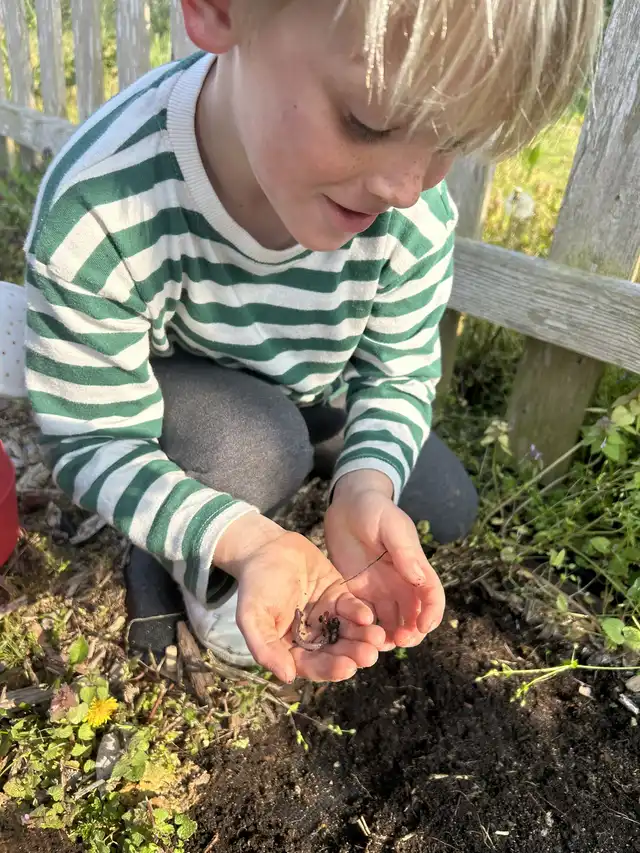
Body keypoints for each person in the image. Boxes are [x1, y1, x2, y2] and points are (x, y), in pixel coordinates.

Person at [23, 0, 602, 684]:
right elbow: (95, 437)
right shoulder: (99, 205)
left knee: (444, 508)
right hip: (192, 394)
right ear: (221, 10)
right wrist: (242, 540)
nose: (405, 187)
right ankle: (175, 553)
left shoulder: (413, 215)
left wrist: (366, 485)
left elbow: (397, 375)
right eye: (369, 122)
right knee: (256, 447)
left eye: (449, 141)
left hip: (315, 388)